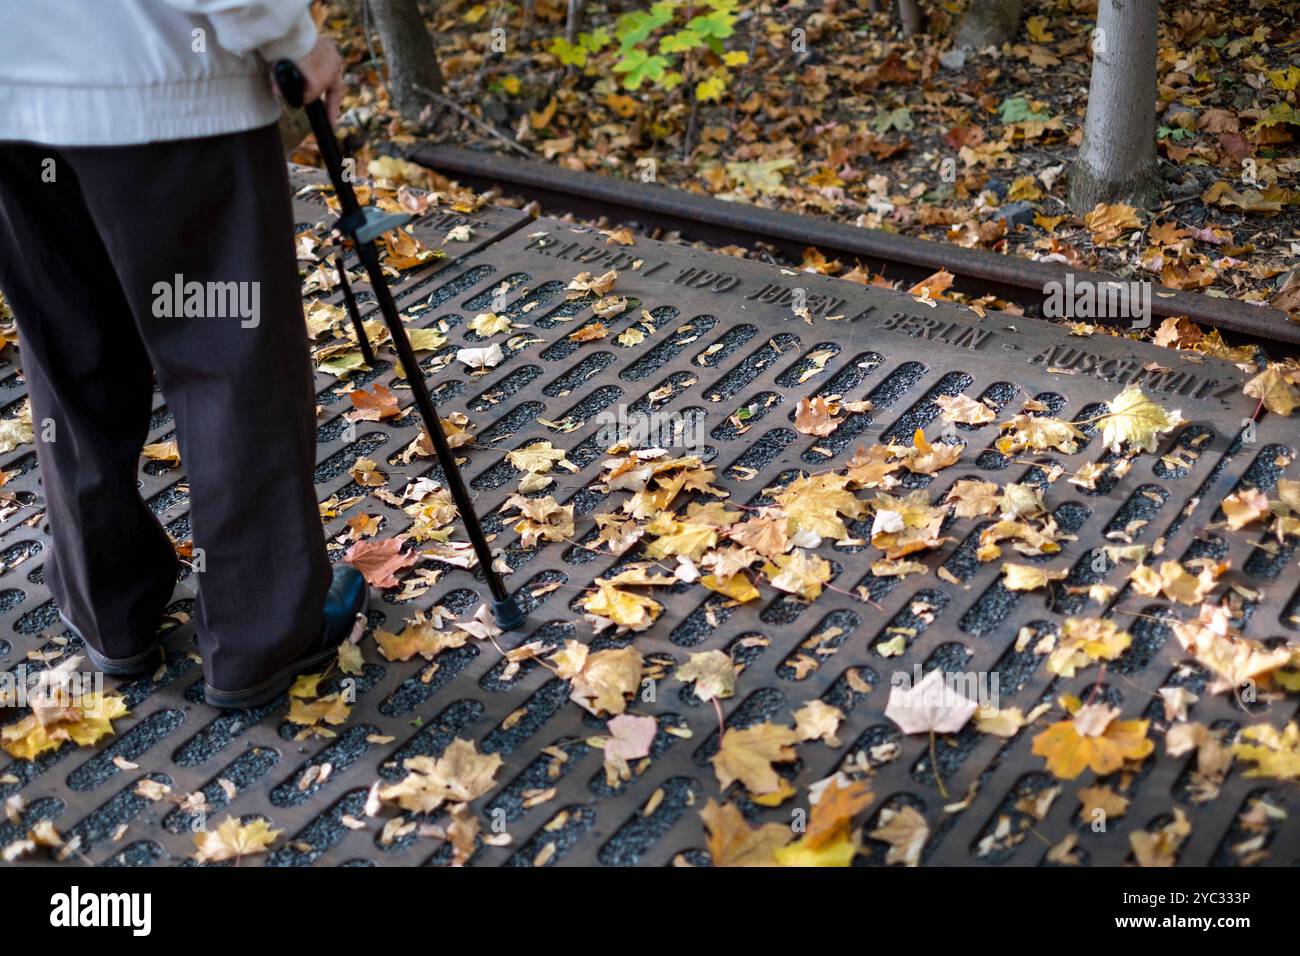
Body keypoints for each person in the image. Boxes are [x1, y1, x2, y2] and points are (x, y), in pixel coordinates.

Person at [0, 0, 367, 709]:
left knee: (69, 350)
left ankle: (111, 606)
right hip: (162, 83)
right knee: (230, 364)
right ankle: (261, 634)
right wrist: (293, 38)